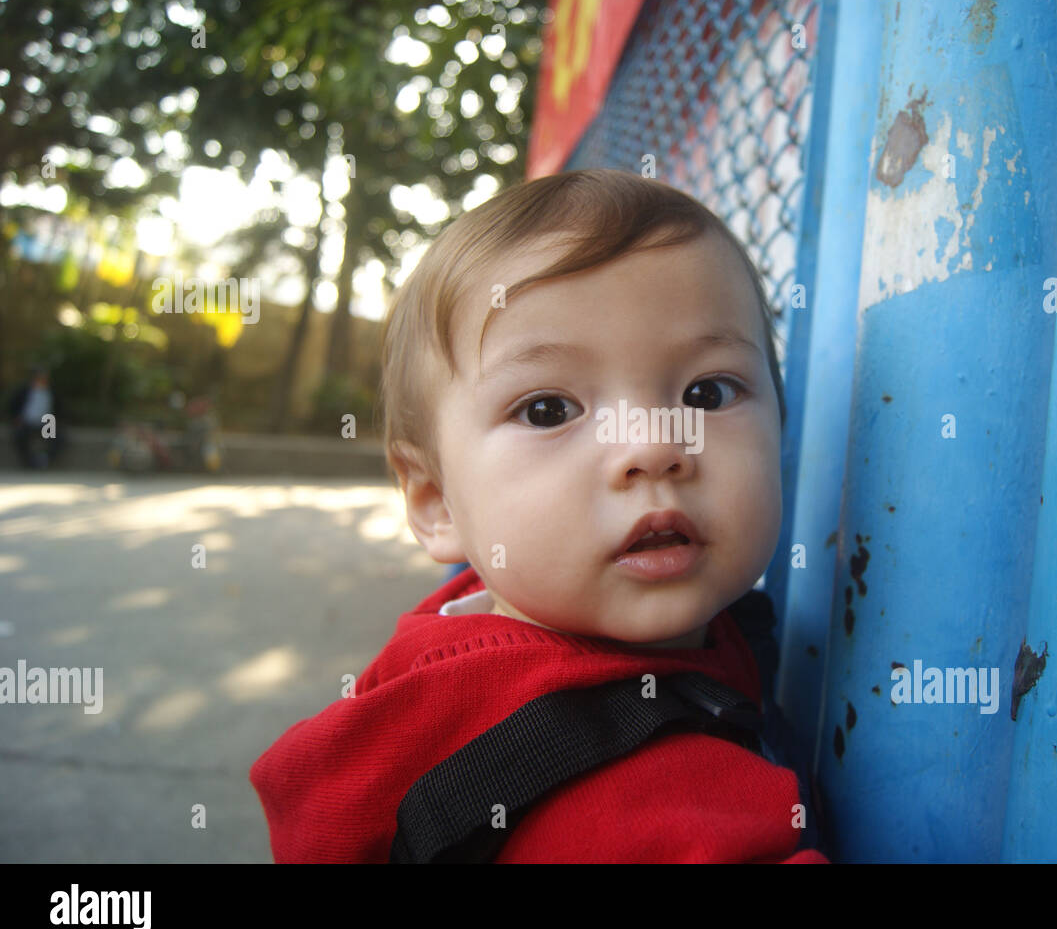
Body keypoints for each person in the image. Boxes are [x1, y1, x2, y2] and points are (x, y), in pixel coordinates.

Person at [249, 169, 828, 863]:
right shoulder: (645, 815)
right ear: (436, 502)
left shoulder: (459, 625)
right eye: (549, 410)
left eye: (706, 393)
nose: (652, 448)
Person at [8, 367, 61, 469]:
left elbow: (59, 409)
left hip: (46, 424)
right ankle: (29, 462)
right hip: (27, 423)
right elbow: (12, 406)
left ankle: (45, 459)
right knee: (19, 436)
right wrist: (16, 418)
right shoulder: (23, 391)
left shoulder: (51, 392)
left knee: (58, 437)